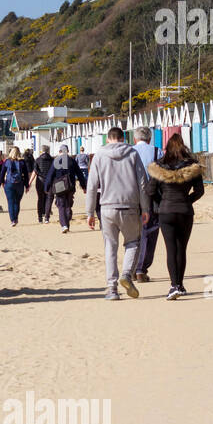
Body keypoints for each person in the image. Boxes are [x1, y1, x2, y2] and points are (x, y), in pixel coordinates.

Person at [84, 127, 149, 300]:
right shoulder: (132, 154)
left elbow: (91, 186)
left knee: (110, 247)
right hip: (130, 206)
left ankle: (112, 289)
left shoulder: (99, 155)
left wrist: (89, 212)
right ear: (123, 138)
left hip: (106, 207)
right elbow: (143, 183)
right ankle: (127, 274)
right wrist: (146, 208)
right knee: (133, 243)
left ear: (108, 138)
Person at [144, 134, 205, 300]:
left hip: (166, 211)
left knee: (171, 249)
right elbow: (199, 191)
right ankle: (180, 284)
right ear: (183, 146)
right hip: (185, 211)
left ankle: (173, 286)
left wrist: (161, 202)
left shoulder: (159, 166)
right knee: (181, 249)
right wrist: (187, 200)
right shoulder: (192, 166)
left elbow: (150, 191)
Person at [131, 127, 160, 282]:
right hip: (152, 196)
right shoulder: (157, 151)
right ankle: (141, 268)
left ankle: (132, 267)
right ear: (149, 139)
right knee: (150, 232)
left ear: (135, 139)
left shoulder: (129, 151)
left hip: (132, 196)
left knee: (133, 234)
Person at [45, 144, 87, 232]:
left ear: (60, 151)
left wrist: (47, 187)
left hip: (59, 186)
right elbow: (79, 174)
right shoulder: (71, 160)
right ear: (67, 151)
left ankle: (64, 225)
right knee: (68, 205)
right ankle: (66, 223)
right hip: (70, 185)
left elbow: (50, 175)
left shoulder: (56, 161)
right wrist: (84, 186)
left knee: (61, 205)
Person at [3, 149, 30, 226]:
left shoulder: (7, 161)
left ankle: (12, 220)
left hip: (9, 184)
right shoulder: (22, 162)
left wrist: (2, 182)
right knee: (17, 202)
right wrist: (27, 186)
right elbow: (26, 175)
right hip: (19, 184)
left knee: (10, 202)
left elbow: (2, 173)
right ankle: (16, 218)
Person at [34, 146, 55, 223]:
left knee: (40, 198)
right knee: (48, 199)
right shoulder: (52, 160)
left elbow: (35, 170)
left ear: (41, 151)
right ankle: (46, 216)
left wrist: (41, 174)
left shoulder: (38, 159)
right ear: (48, 151)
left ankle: (40, 217)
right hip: (49, 181)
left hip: (40, 180)